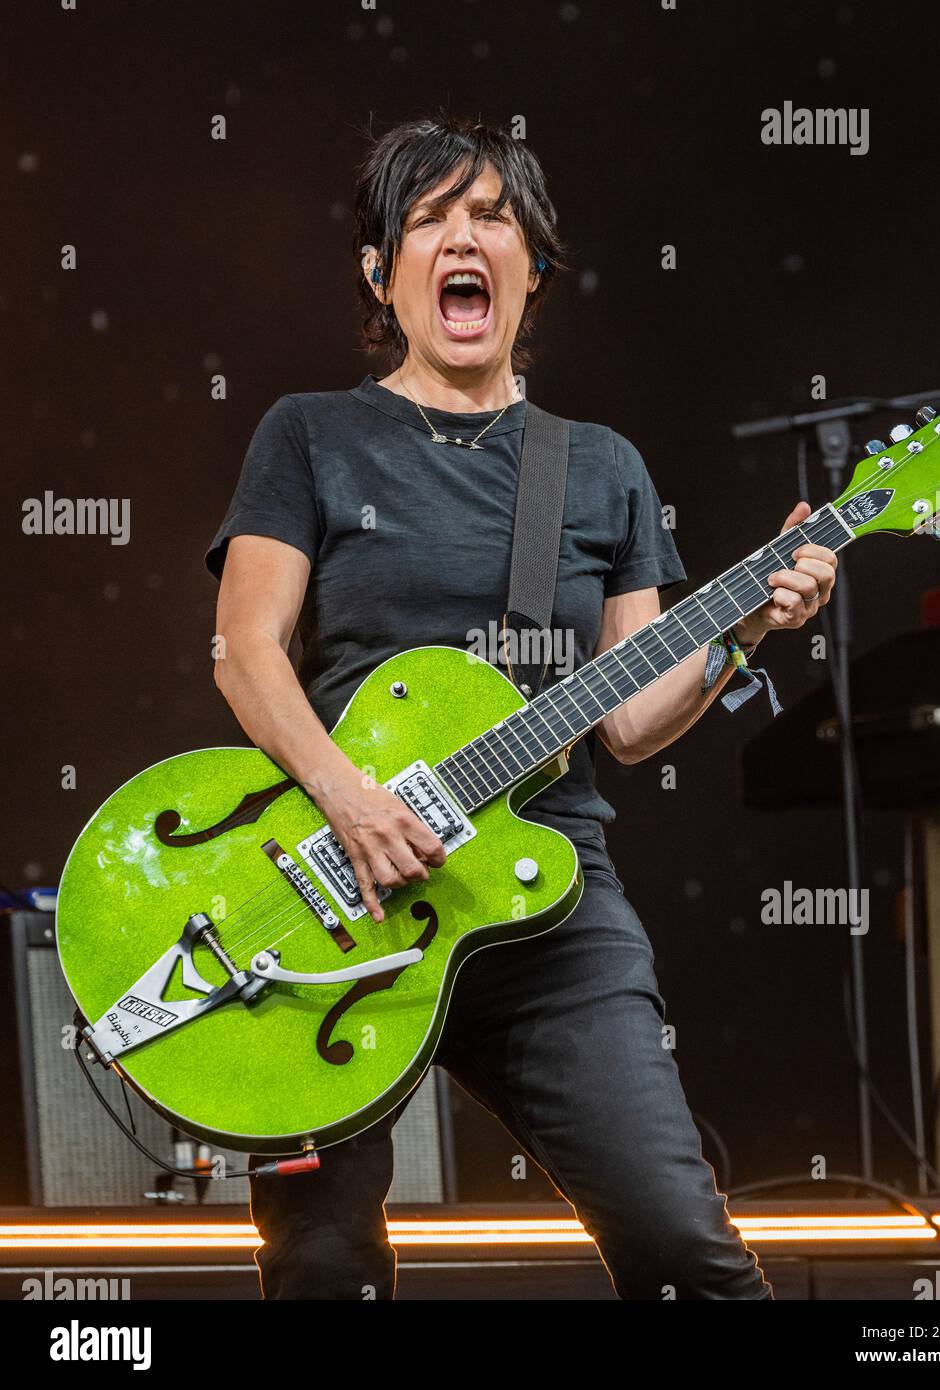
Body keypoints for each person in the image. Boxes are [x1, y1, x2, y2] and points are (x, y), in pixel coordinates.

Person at [205, 115, 837, 1300]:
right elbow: (243, 650)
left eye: (491, 217)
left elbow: (631, 721)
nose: (463, 238)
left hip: (548, 898)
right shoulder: (308, 434)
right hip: (338, 895)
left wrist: (743, 625)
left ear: (531, 267)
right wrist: (349, 802)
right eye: (430, 218)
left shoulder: (596, 466)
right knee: (323, 1264)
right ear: (379, 271)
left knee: (683, 1250)